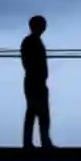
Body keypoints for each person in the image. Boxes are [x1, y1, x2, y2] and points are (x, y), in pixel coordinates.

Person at [20, 15, 54, 149]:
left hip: (36, 81)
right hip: (35, 82)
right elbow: (30, 63)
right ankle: (39, 142)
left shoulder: (34, 41)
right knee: (38, 112)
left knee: (36, 112)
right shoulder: (30, 42)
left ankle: (34, 142)